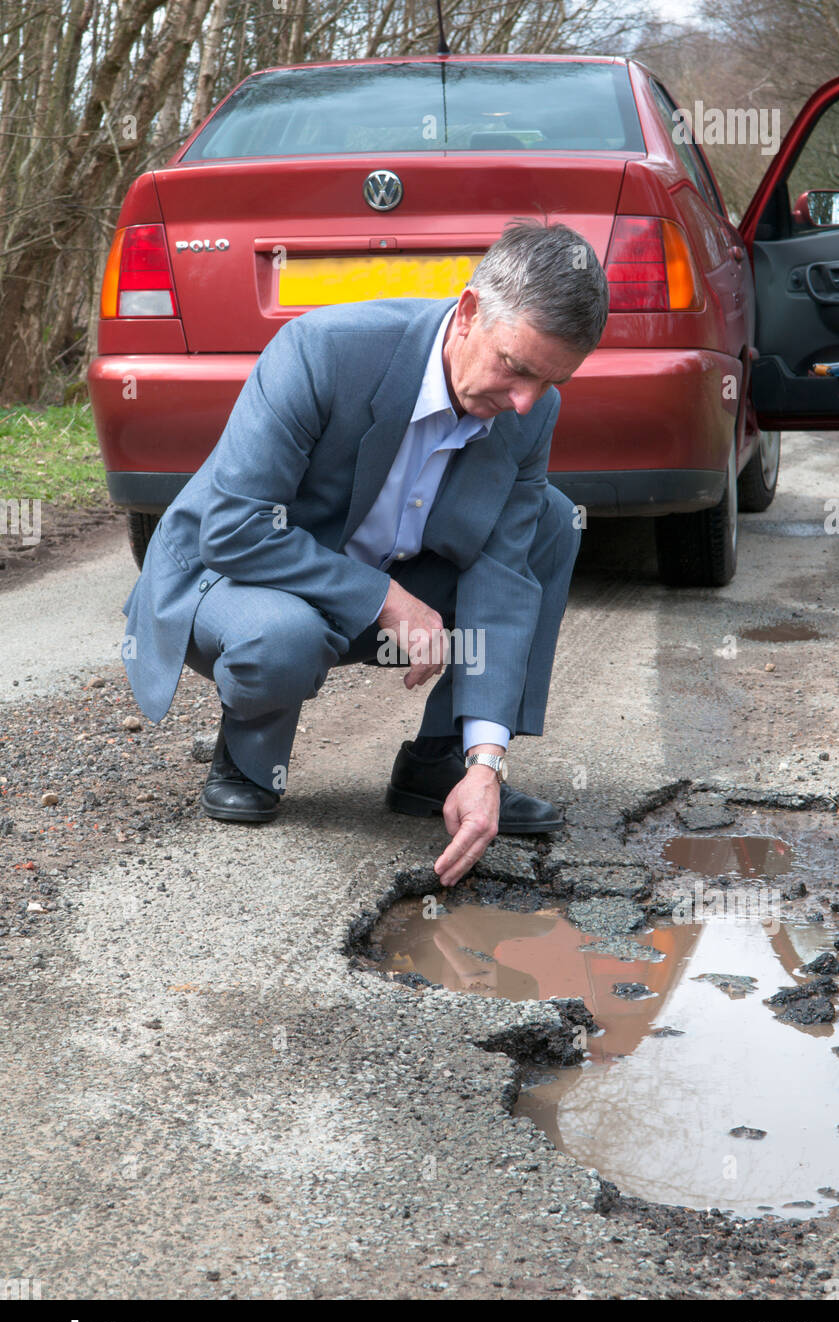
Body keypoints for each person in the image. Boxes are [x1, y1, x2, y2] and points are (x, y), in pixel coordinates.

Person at [120, 218, 609, 886]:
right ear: (467, 312)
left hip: (376, 576)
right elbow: (233, 528)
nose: (524, 403)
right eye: (515, 369)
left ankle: (441, 763)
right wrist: (384, 599)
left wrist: (485, 763)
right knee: (282, 635)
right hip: (234, 575)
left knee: (551, 518)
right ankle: (248, 755)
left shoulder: (528, 411)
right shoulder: (324, 351)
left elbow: (503, 576)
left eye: (549, 383)